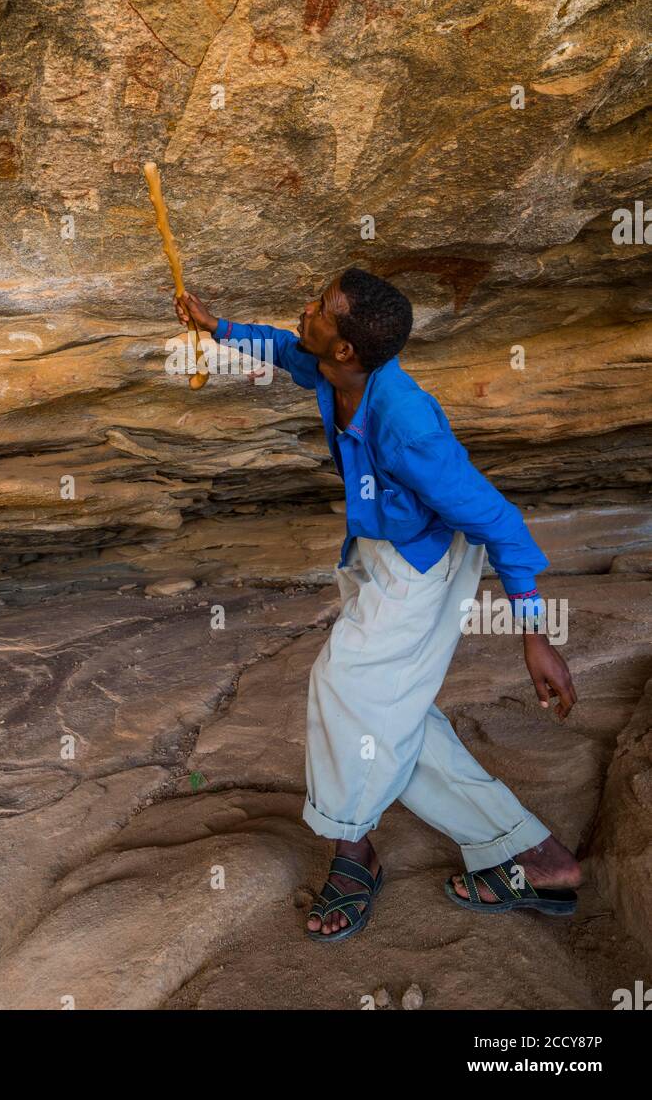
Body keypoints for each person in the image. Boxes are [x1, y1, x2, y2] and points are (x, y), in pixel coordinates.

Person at [174, 268, 581, 943]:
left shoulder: (406, 425)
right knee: (388, 712)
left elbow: (499, 521)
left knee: (342, 687)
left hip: (423, 568)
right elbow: (284, 351)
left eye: (320, 309)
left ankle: (351, 852)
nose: (306, 309)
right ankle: (533, 857)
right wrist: (218, 329)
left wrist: (533, 633)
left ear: (344, 351)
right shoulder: (334, 372)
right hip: (376, 551)